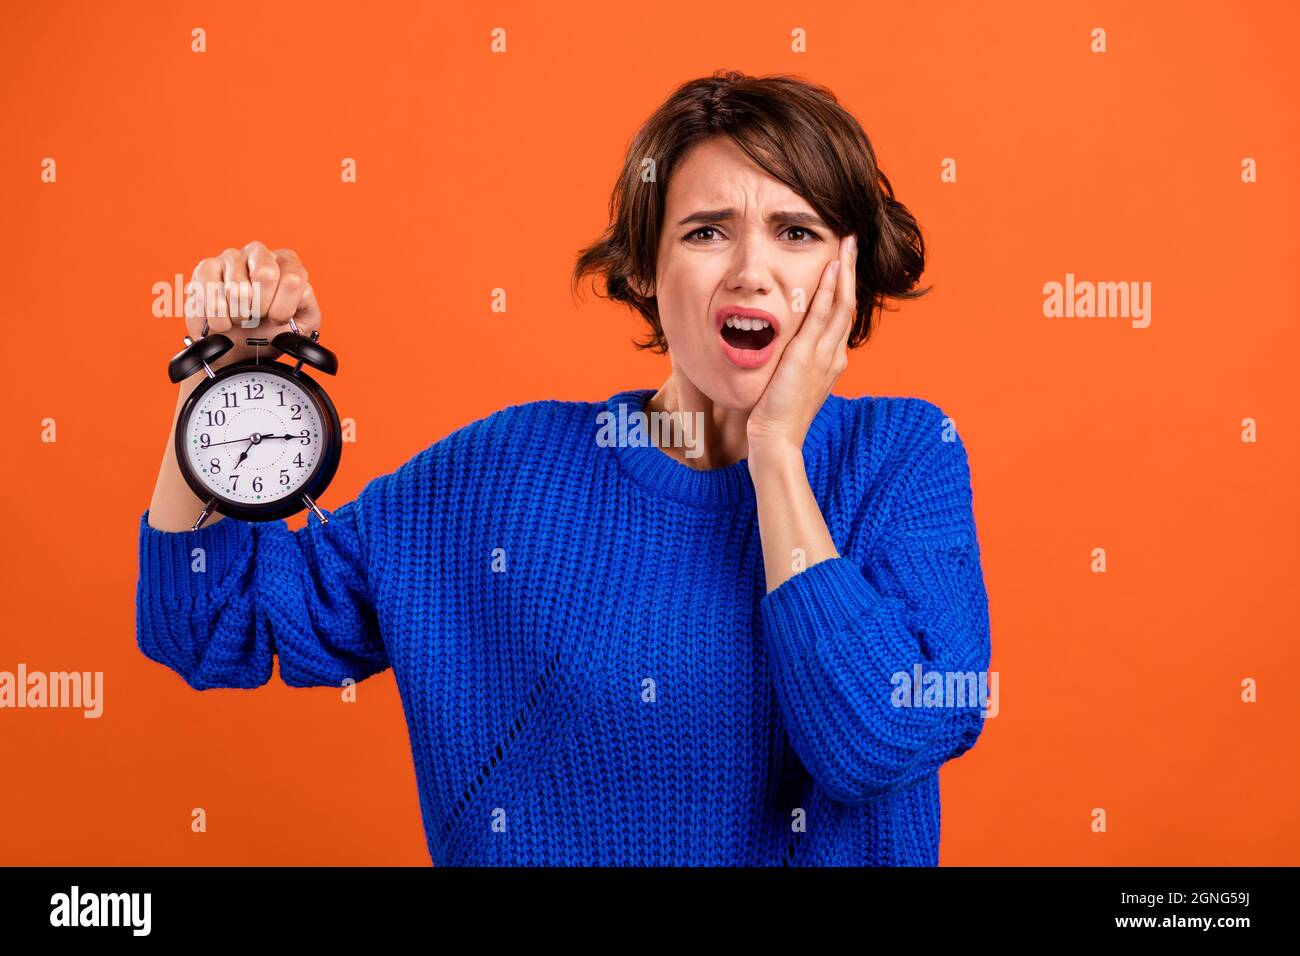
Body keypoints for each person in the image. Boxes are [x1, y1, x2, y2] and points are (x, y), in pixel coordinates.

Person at [137, 69, 992, 866]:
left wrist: (775, 454)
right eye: (706, 232)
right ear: (648, 269)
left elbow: (875, 741)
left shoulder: (904, 459)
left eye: (796, 232)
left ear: (847, 269)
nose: (750, 272)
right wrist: (227, 378)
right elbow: (207, 621)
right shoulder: (503, 474)